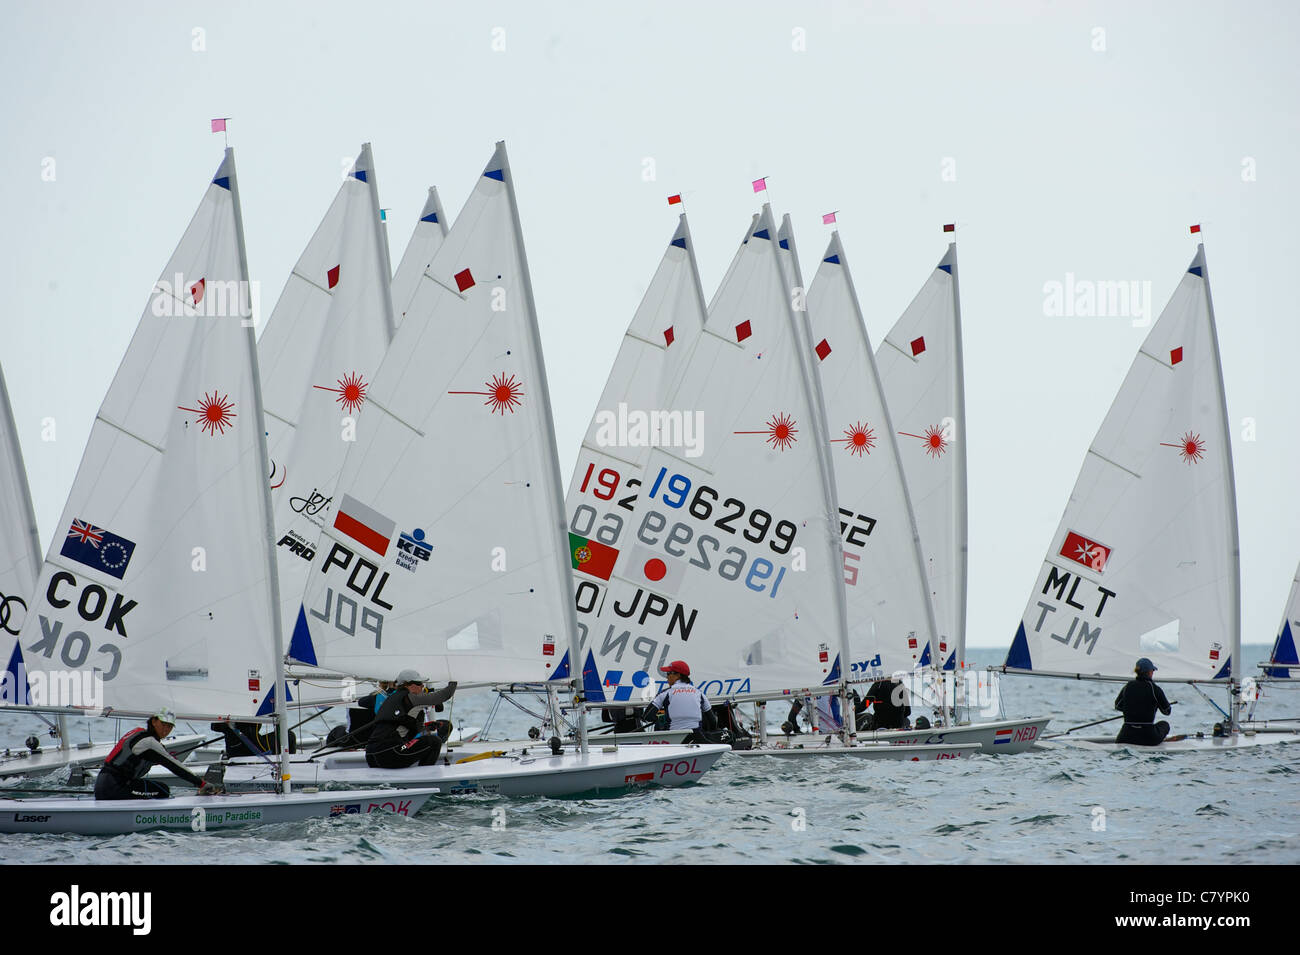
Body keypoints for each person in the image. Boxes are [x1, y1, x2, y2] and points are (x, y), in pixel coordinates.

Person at [95, 708, 222, 800]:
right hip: (115, 788)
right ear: (154, 721)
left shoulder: (138, 733)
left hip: (102, 786)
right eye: (163, 724)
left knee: (151, 788)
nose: (166, 730)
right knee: (163, 790)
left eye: (170, 726)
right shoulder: (150, 743)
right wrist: (202, 784)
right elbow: (174, 766)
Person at [365, 670, 457, 768]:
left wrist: (425, 727)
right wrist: (454, 679)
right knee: (434, 741)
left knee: (416, 742)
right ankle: (426, 775)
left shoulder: (392, 698)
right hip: (391, 753)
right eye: (419, 683)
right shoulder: (413, 697)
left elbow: (400, 724)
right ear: (409, 685)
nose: (422, 686)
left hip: (371, 754)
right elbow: (444, 695)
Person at [641, 661, 710, 737]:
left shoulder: (665, 693)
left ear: (677, 675)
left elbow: (647, 717)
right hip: (697, 738)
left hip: (674, 738)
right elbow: (712, 721)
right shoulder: (699, 693)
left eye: (668, 674)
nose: (666, 677)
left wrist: (661, 719)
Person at [1115, 658, 1172, 745]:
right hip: (1148, 738)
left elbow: (1118, 706)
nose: (1153, 673)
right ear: (1149, 672)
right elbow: (1167, 711)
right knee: (1164, 724)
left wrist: (1133, 709)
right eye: (1153, 670)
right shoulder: (1154, 688)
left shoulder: (1128, 686)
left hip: (1125, 736)